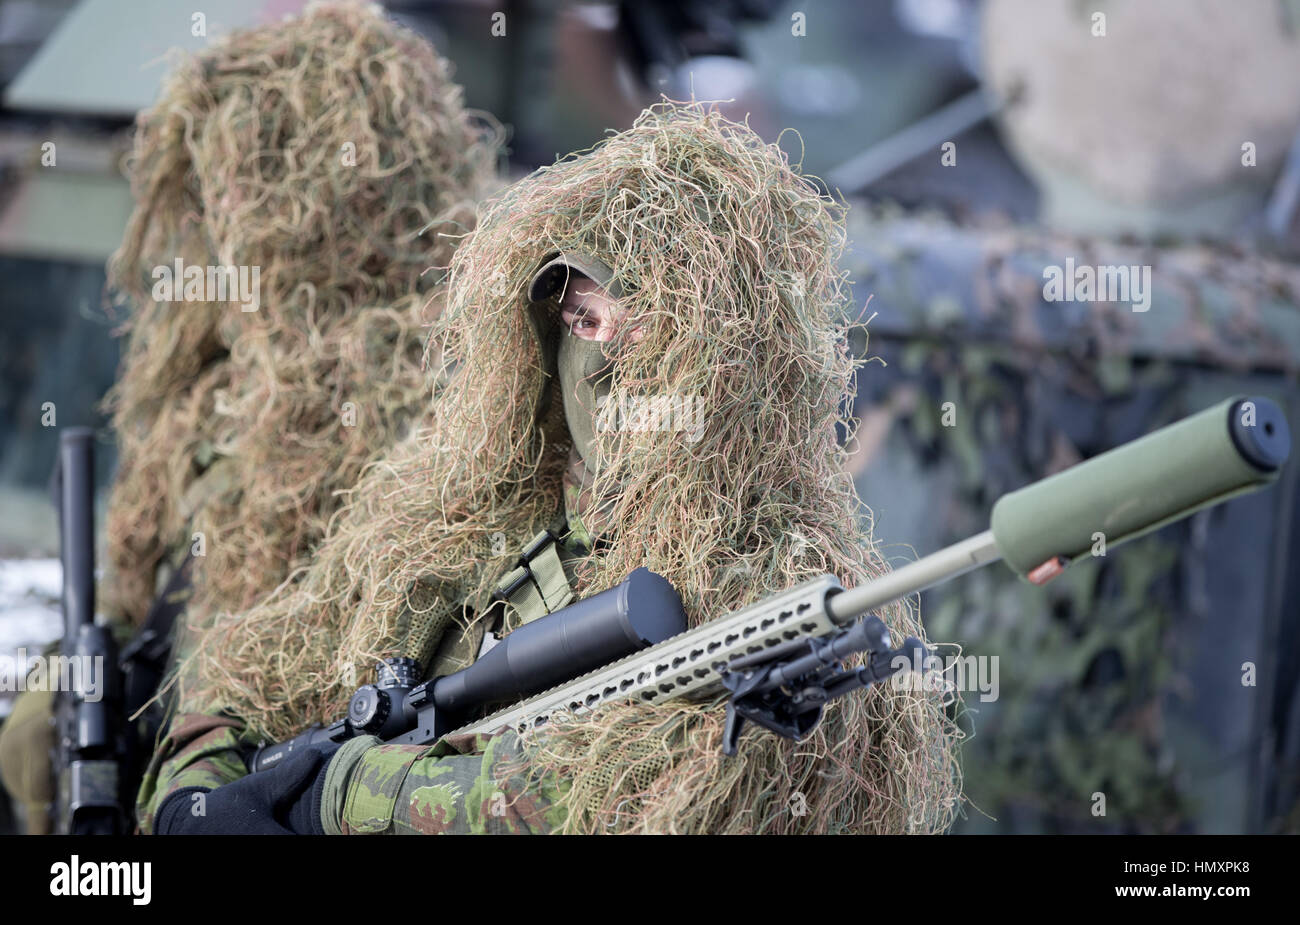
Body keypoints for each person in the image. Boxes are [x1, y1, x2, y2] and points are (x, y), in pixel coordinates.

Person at [141, 102, 960, 835]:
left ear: (734, 360)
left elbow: (619, 805)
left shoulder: (778, 596)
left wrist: (355, 793)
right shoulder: (448, 517)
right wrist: (202, 799)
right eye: (583, 315)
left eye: (649, 329)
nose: (603, 356)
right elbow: (245, 690)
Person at [0, 1, 498, 835]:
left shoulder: (455, 397)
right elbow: (144, 580)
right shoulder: (216, 371)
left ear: (350, 190)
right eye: (218, 183)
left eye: (263, 175)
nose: (229, 210)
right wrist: (82, 676)